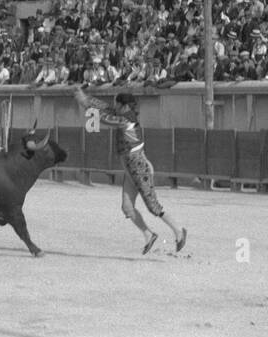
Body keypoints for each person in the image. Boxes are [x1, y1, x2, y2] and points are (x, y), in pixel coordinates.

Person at [72, 83, 187, 254]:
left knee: (152, 206)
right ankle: (148, 235)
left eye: (117, 104)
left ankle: (179, 231)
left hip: (139, 168)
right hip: (130, 169)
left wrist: (85, 103)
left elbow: (104, 118)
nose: (114, 107)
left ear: (123, 105)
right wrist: (84, 98)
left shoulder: (127, 119)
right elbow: (104, 107)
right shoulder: (124, 114)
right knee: (127, 207)